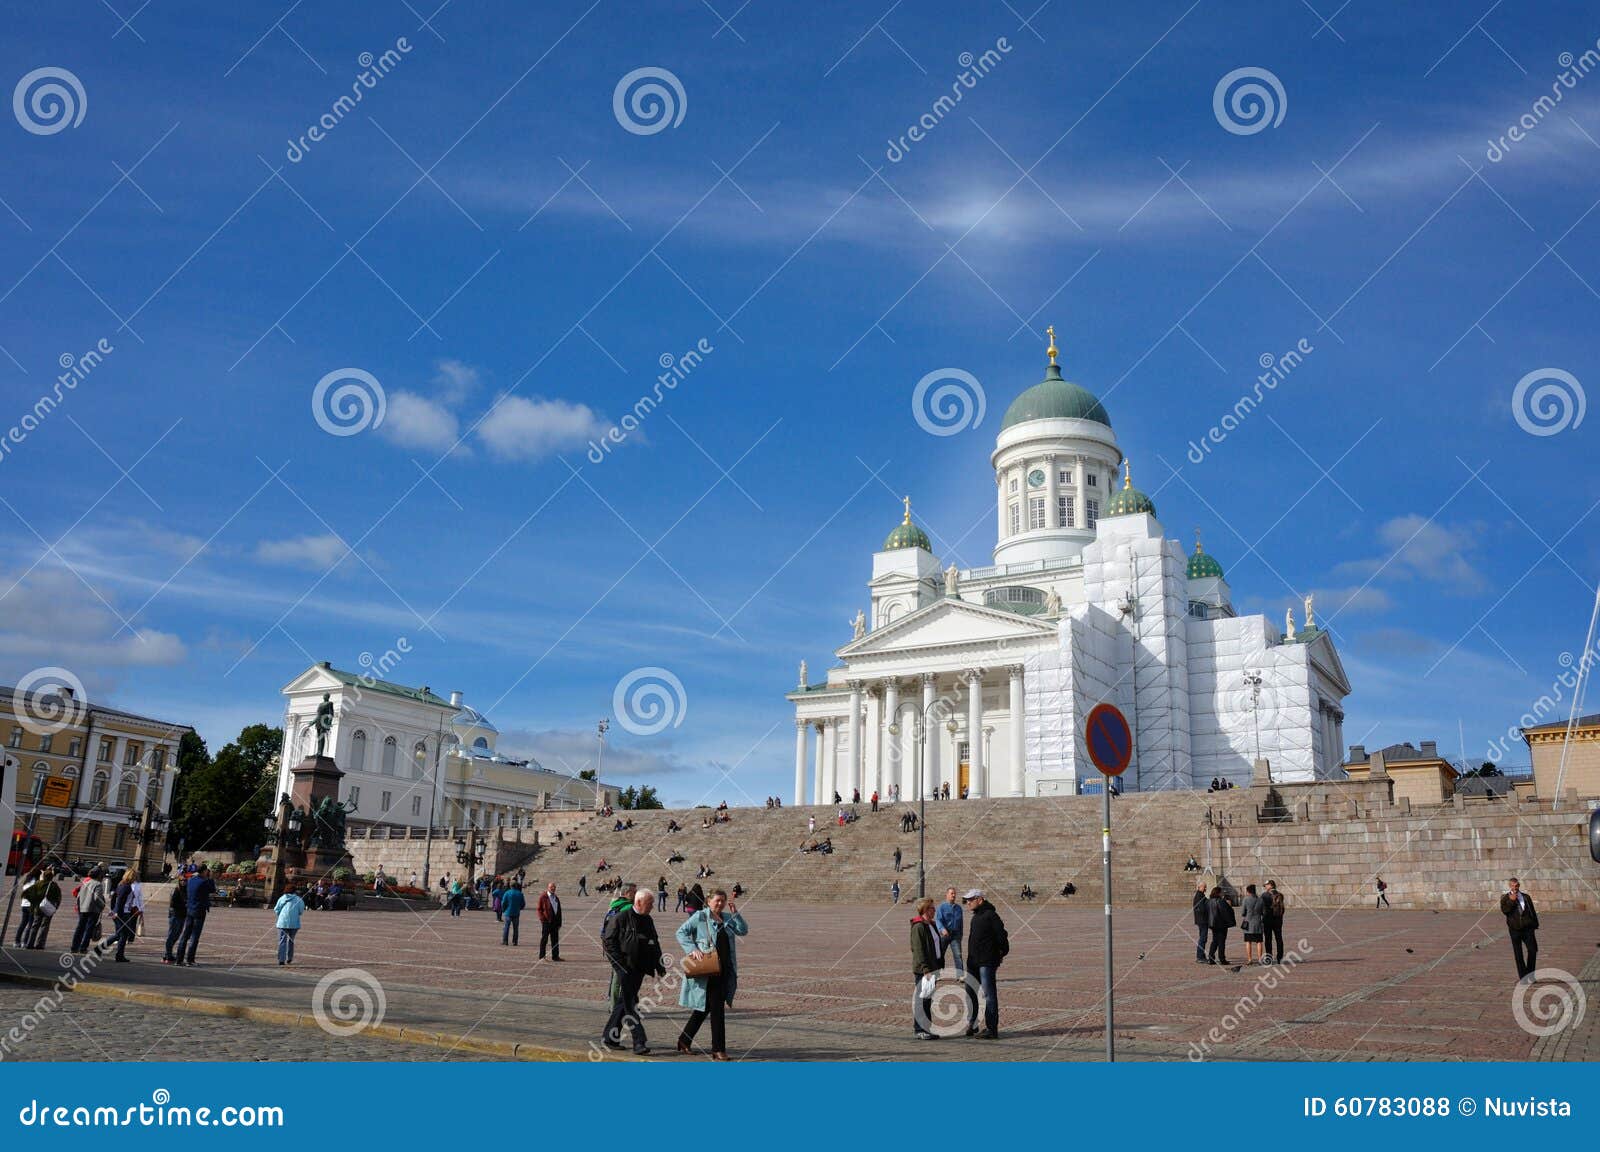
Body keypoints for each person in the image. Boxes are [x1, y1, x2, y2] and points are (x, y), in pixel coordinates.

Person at [676, 889, 748, 1059]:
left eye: (722, 900)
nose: (720, 903)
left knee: (705, 1008)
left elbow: (743, 930)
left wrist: (735, 913)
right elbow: (681, 932)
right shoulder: (700, 916)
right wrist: (692, 950)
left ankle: (684, 1040)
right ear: (708, 901)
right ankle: (718, 1049)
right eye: (717, 900)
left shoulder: (727, 918)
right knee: (717, 1010)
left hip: (725, 970)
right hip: (708, 972)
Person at [601, 890, 666, 1055]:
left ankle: (609, 1038)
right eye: (650, 903)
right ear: (638, 902)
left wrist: (660, 966)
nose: (652, 906)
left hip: (640, 968)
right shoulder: (622, 918)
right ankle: (639, 1041)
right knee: (631, 1004)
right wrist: (620, 965)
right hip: (625, 968)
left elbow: (654, 942)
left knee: (623, 1002)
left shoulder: (648, 919)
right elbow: (608, 941)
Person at [964, 888, 1008, 1038]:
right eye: (967, 900)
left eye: (970, 900)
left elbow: (1002, 936)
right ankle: (973, 1023)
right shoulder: (976, 916)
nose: (967, 903)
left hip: (986, 962)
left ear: (980, 899)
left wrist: (1002, 952)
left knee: (988, 995)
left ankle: (991, 1028)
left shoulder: (991, 915)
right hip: (973, 962)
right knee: (970, 992)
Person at [909, 896, 944, 1040]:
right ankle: (919, 1029)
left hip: (933, 968)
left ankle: (927, 1028)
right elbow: (918, 950)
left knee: (928, 999)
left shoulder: (932, 924)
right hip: (924, 970)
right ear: (924, 909)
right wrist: (925, 968)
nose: (934, 910)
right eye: (931, 908)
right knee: (922, 999)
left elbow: (936, 946)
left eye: (934, 908)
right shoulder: (919, 926)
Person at [174, 864, 216, 966]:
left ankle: (179, 959)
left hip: (189, 910)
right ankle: (190, 960)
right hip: (199, 911)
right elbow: (213, 889)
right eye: (206, 871)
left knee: (185, 935)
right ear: (204, 871)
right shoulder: (204, 882)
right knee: (194, 936)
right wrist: (210, 878)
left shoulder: (191, 880)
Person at [1500, 877, 1540, 980]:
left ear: (1519, 885)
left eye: (1516, 885)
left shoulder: (1526, 897)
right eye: (1513, 885)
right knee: (1518, 954)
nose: (1515, 887)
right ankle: (1523, 977)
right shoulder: (1505, 898)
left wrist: (1535, 924)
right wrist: (1511, 901)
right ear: (1510, 886)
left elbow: (1532, 911)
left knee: (1533, 950)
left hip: (1527, 929)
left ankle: (1530, 974)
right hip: (1515, 930)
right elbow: (1505, 911)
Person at [22, 867, 61, 950]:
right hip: (48, 908)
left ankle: (30, 943)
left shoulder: (38, 884)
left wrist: (34, 902)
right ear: (52, 877)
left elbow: (26, 894)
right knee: (44, 926)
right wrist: (55, 907)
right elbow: (58, 898)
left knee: (35, 926)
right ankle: (40, 944)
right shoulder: (54, 885)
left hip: (37, 908)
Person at [71, 866, 106, 955]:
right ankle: (83, 948)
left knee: (80, 928)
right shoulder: (98, 884)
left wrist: (80, 907)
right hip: (93, 910)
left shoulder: (85, 882)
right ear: (99, 875)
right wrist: (102, 905)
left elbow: (78, 897)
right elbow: (97, 898)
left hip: (82, 909)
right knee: (88, 929)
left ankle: (74, 947)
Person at [109, 868, 140, 962]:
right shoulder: (126, 886)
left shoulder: (122, 885)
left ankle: (117, 954)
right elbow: (120, 901)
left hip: (123, 912)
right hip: (123, 913)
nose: (136, 878)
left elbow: (116, 899)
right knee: (122, 935)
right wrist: (117, 913)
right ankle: (119, 956)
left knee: (120, 935)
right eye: (135, 876)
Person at [274, 882, 306, 965]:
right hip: (294, 923)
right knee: (291, 941)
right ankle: (290, 958)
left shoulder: (282, 898)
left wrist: (281, 915)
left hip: (282, 923)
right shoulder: (299, 899)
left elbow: (276, 909)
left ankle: (281, 959)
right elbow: (301, 911)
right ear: (295, 891)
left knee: (282, 941)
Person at [1206, 886, 1234, 966]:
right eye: (1221, 892)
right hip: (1221, 924)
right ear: (1218, 893)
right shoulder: (1221, 901)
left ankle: (1211, 958)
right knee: (1221, 942)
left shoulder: (1209, 901)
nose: (1222, 893)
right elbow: (1226, 912)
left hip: (1212, 924)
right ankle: (1222, 959)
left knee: (1214, 941)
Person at [162, 875, 187, 963]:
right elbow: (172, 904)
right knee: (171, 935)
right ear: (179, 881)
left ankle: (167, 954)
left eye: (185, 880)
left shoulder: (185, 890)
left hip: (182, 915)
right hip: (175, 915)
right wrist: (184, 905)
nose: (183, 882)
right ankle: (168, 955)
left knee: (177, 935)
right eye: (182, 880)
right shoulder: (176, 890)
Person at [1240, 883, 1266, 966]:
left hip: (1248, 924)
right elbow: (1264, 912)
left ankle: (1250, 959)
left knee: (1248, 942)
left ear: (1248, 891)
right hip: (1258, 923)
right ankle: (1260, 959)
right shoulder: (1260, 900)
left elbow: (1243, 912)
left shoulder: (1246, 899)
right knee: (1259, 942)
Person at [537, 881, 563, 960]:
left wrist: (559, 923)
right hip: (546, 921)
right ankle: (542, 956)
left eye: (554, 887)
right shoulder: (543, 896)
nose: (553, 888)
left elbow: (559, 911)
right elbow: (539, 909)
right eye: (551, 887)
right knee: (544, 939)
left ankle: (555, 956)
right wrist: (542, 919)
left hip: (555, 922)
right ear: (548, 888)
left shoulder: (556, 897)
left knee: (555, 940)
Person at [1262, 880, 1285, 962]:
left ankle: (1269, 957)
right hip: (1278, 920)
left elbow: (1262, 908)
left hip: (1267, 920)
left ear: (1271, 885)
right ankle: (1279, 957)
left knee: (1268, 939)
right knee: (1279, 938)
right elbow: (1283, 909)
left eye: (1266, 885)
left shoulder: (1265, 895)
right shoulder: (1280, 895)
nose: (1265, 887)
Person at [501, 880, 526, 946]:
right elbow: (523, 904)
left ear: (510, 886)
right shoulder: (520, 893)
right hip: (516, 912)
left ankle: (505, 941)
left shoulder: (507, 893)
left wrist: (503, 909)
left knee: (506, 927)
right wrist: (519, 908)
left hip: (508, 912)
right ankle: (515, 941)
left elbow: (503, 902)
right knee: (516, 928)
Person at [1192, 882, 1210, 964]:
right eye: (1204, 887)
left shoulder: (1200, 895)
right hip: (1202, 920)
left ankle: (1201, 955)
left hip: (1201, 920)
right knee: (1203, 938)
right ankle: (1200, 956)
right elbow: (1202, 909)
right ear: (1200, 887)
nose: (1205, 889)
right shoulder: (1199, 896)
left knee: (1203, 938)